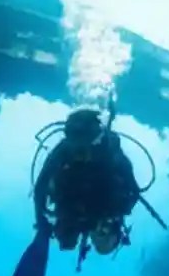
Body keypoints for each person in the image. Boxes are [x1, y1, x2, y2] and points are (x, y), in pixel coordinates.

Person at [33, 107, 141, 258]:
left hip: (97, 207)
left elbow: (133, 191)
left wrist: (42, 220)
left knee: (95, 245)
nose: (82, 150)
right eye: (77, 143)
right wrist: (42, 221)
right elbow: (41, 187)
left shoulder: (108, 151)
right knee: (69, 240)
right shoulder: (65, 151)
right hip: (77, 207)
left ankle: (99, 233)